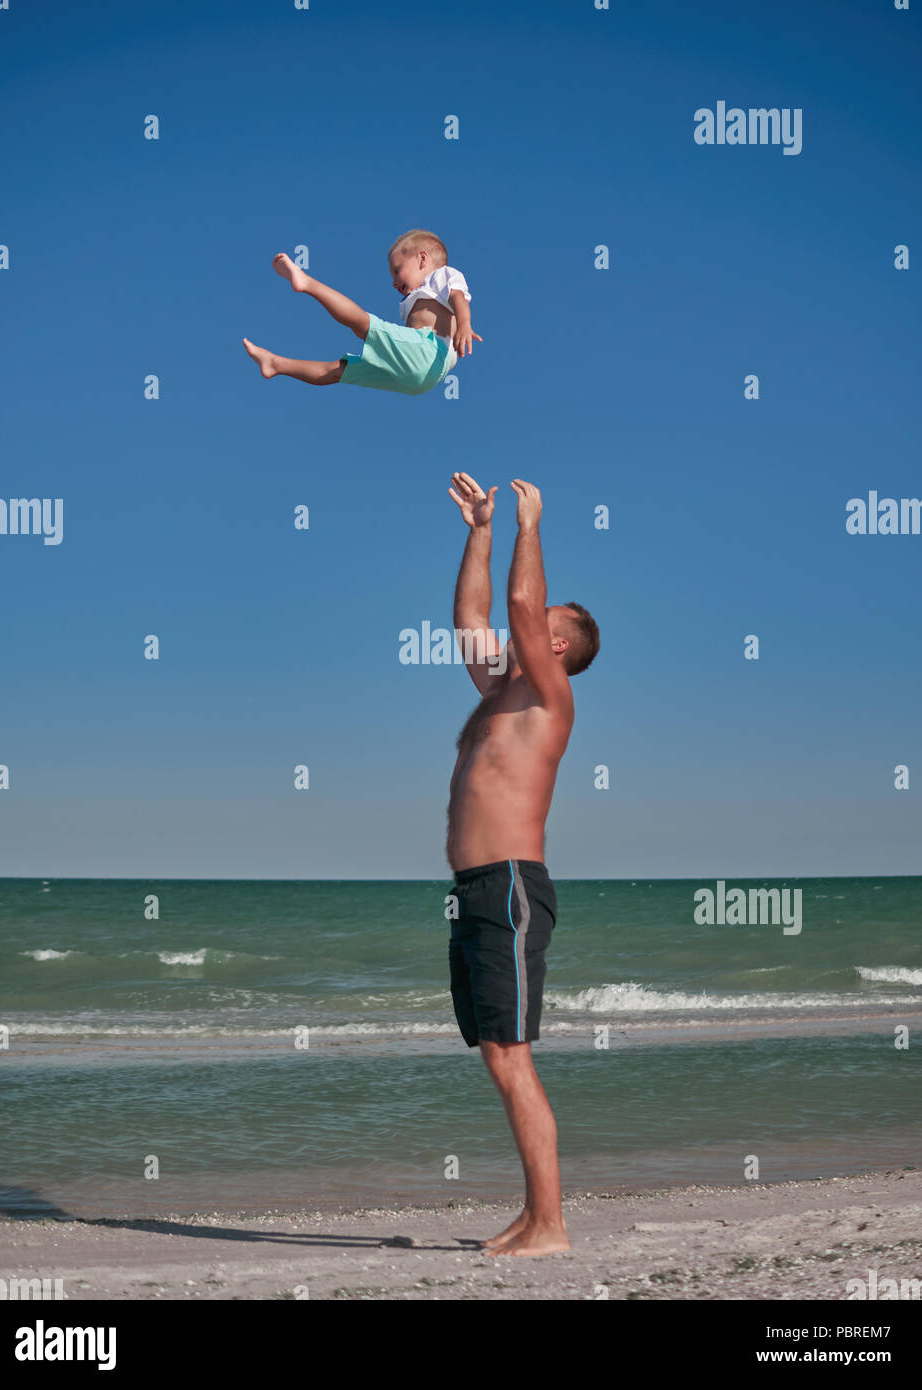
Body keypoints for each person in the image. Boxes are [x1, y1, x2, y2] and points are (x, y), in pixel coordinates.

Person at [445, 472, 600, 1256]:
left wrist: (529, 528)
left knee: (514, 1056)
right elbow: (472, 618)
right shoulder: (498, 692)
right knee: (498, 1057)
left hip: (509, 887)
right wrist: (480, 528)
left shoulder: (548, 696)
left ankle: (553, 1225)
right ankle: (536, 1213)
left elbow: (511, 610)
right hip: (473, 890)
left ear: (559, 645)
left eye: (545, 622)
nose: (529, 623)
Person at [242, 229, 480, 395]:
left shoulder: (443, 275)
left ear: (423, 259)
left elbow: (458, 298)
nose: (394, 282)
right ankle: (276, 364)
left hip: (431, 355)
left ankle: (307, 283)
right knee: (337, 371)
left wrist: (465, 324)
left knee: (362, 324)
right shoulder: (413, 300)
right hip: (418, 379)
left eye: (397, 271)